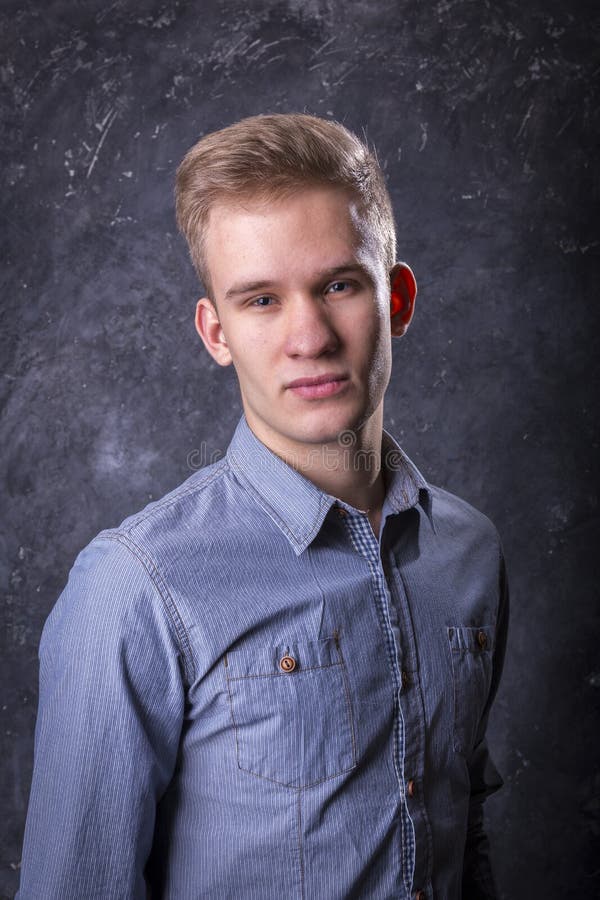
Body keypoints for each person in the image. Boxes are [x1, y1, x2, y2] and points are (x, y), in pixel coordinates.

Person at [17, 113, 509, 900]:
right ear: (216, 333)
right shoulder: (135, 588)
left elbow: (461, 826)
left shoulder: (469, 552)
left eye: (338, 285)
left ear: (399, 300)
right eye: (260, 301)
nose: (308, 336)